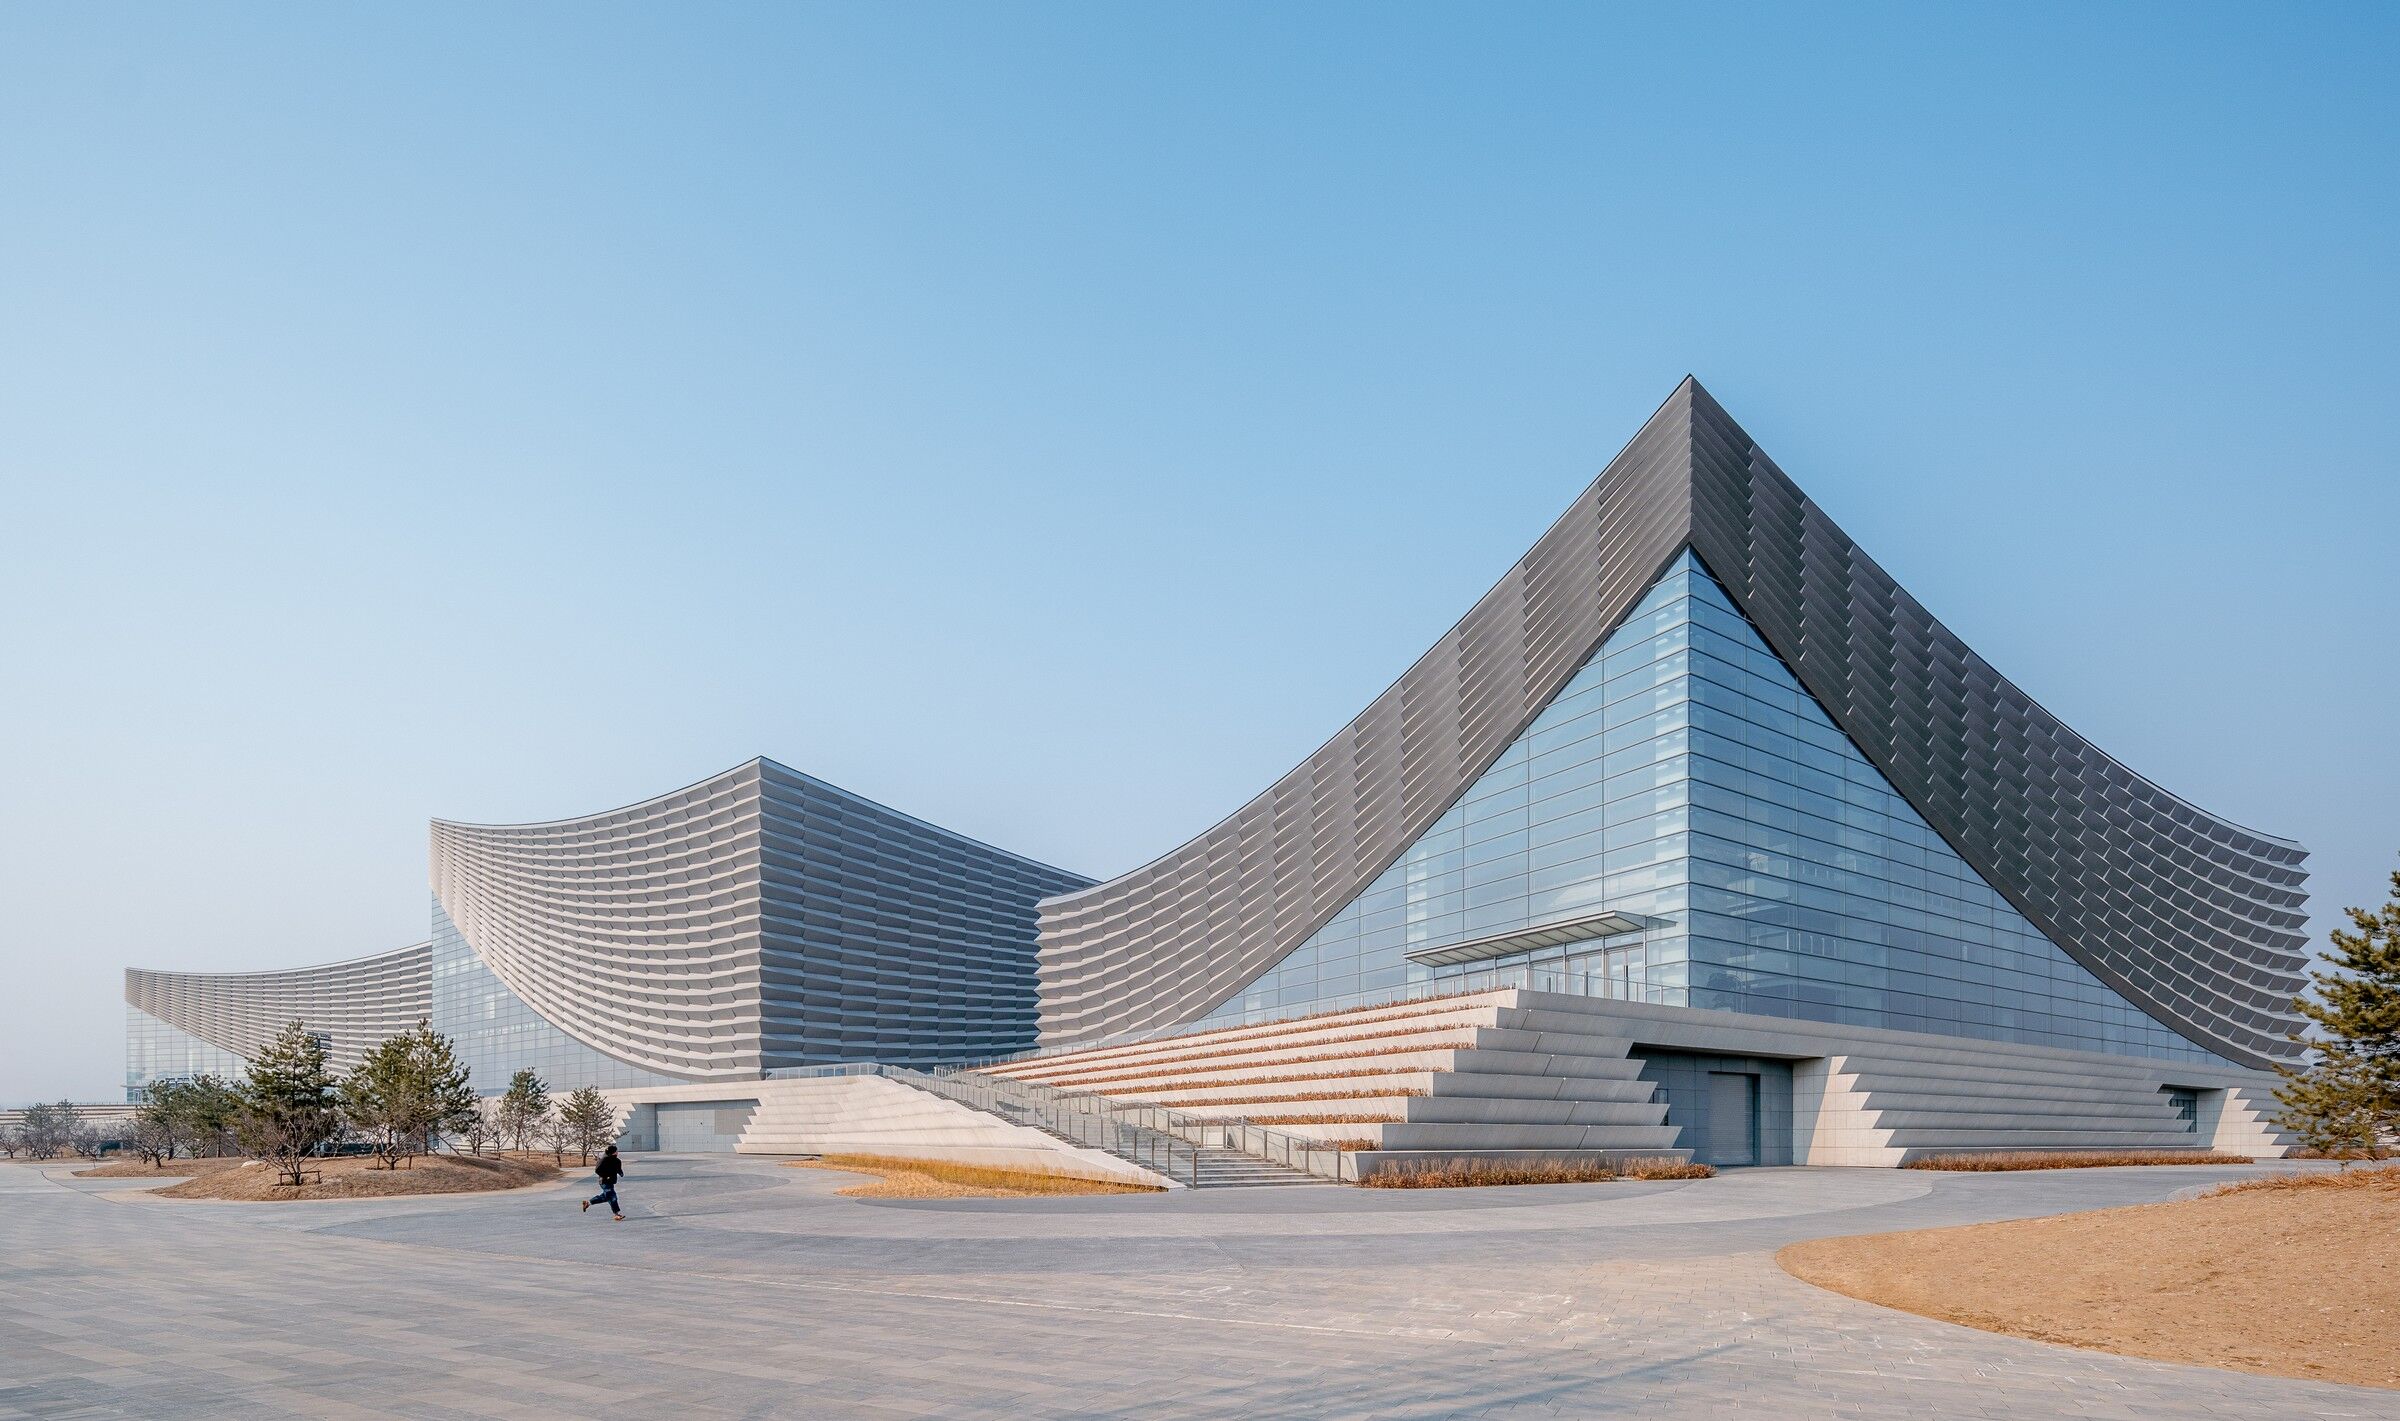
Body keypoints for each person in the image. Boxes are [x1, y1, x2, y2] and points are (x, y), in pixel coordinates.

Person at [582, 1144, 626, 1220]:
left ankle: (588, 1203)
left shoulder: (617, 1160)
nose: (617, 1152)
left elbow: (618, 1168)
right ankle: (616, 1214)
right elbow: (597, 1170)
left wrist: (621, 1173)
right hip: (604, 1181)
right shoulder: (604, 1160)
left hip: (611, 1181)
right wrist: (605, 1176)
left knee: (607, 1197)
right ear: (613, 1152)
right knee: (613, 1197)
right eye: (616, 1151)